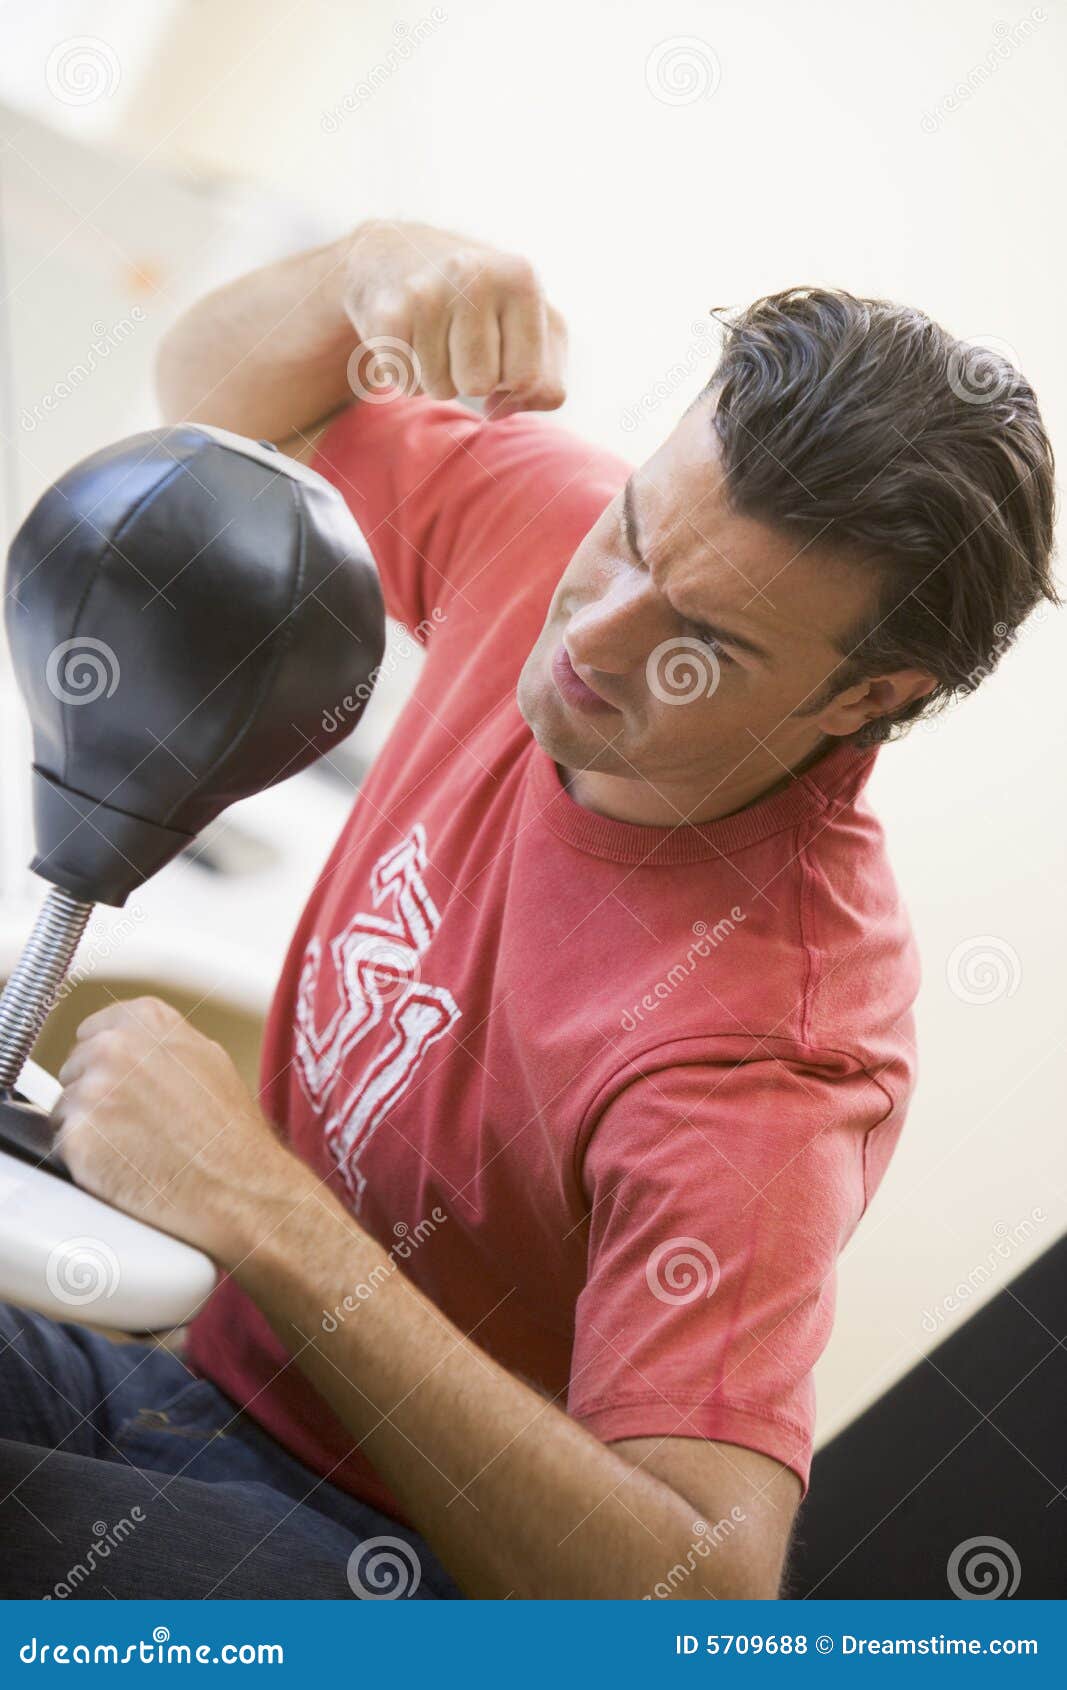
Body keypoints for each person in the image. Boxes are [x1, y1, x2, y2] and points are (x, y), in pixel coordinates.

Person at [0, 221, 1056, 1600]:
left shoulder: (772, 1051)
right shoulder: (557, 526)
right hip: (180, 1390)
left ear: (870, 697)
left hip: (399, 1561)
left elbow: (694, 1593)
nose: (594, 636)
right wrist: (367, 271)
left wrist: (266, 1207)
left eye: (705, 641)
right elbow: (216, 398)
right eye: (630, 530)